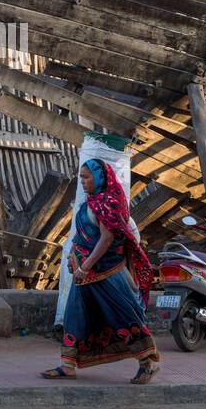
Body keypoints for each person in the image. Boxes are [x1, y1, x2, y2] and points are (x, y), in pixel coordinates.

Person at [42, 158, 160, 384]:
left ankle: (148, 363)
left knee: (124, 316)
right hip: (83, 276)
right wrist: (73, 259)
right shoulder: (91, 202)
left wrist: (85, 267)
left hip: (105, 273)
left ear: (99, 177)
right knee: (74, 316)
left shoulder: (107, 203)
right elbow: (84, 236)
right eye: (81, 177)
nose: (82, 181)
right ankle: (68, 365)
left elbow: (106, 240)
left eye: (86, 177)